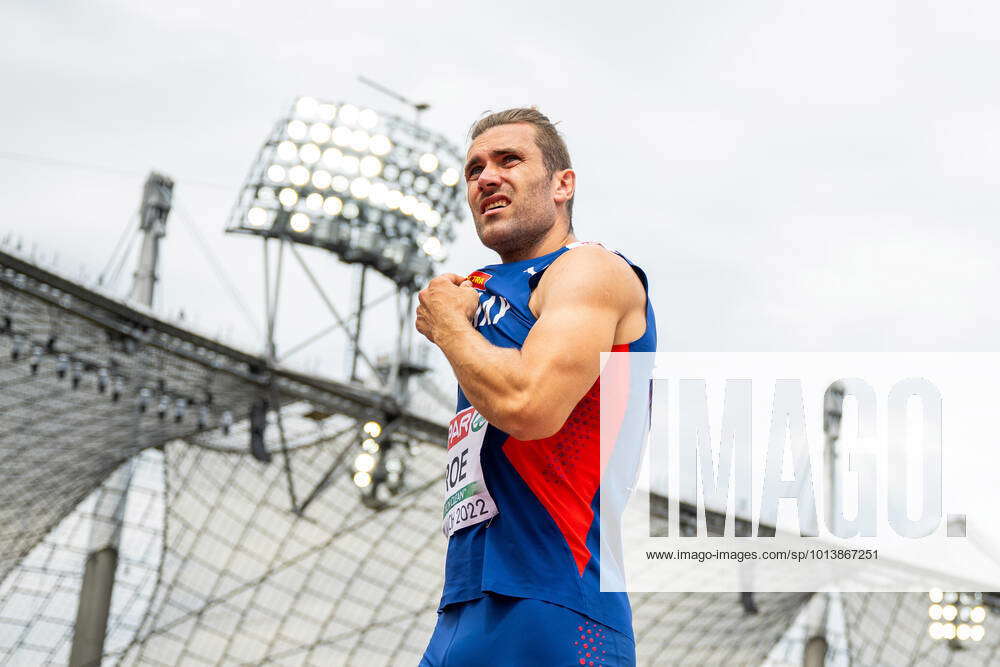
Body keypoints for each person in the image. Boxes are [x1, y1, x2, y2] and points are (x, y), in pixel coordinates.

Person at [415, 108, 656, 666]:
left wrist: (447, 325)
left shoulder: (589, 269)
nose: (486, 178)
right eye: (474, 169)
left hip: (557, 612)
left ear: (562, 185)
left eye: (509, 160)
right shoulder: (480, 291)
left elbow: (529, 406)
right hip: (462, 608)